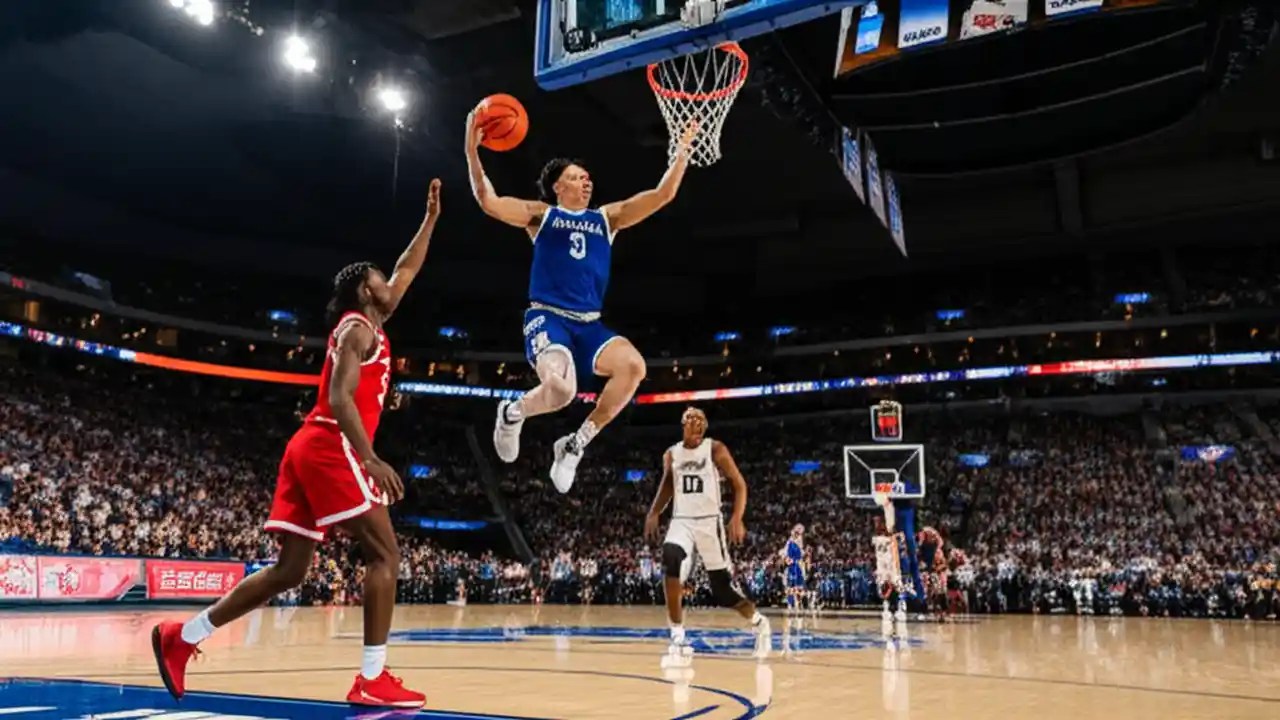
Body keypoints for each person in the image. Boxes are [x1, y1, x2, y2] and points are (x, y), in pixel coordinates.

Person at [150, 180, 443, 709]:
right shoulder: (355, 328)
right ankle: (372, 677)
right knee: (385, 555)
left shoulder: (374, 319)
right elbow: (338, 397)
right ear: (364, 290)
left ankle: (182, 636)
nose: (390, 281)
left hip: (309, 447)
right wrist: (371, 457)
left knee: (290, 571)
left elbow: (408, 270)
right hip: (331, 443)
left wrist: (430, 221)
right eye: (380, 278)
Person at [465, 110, 697, 493]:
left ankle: (575, 444)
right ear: (557, 186)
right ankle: (511, 412)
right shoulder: (542, 215)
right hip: (548, 316)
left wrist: (683, 150)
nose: (585, 181)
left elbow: (662, 195)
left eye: (587, 177)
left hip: (589, 324)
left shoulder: (607, 218)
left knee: (634, 367)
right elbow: (488, 201)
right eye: (575, 177)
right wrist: (472, 154)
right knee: (561, 389)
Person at [644, 407, 771, 666]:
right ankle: (677, 634)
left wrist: (737, 517)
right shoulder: (671, 454)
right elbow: (668, 484)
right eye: (693, 419)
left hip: (710, 522)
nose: (698, 424)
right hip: (682, 520)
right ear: (683, 423)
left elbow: (739, 484)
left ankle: (759, 623)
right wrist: (654, 512)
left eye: (702, 421)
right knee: (670, 557)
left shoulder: (715, 449)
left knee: (722, 591)